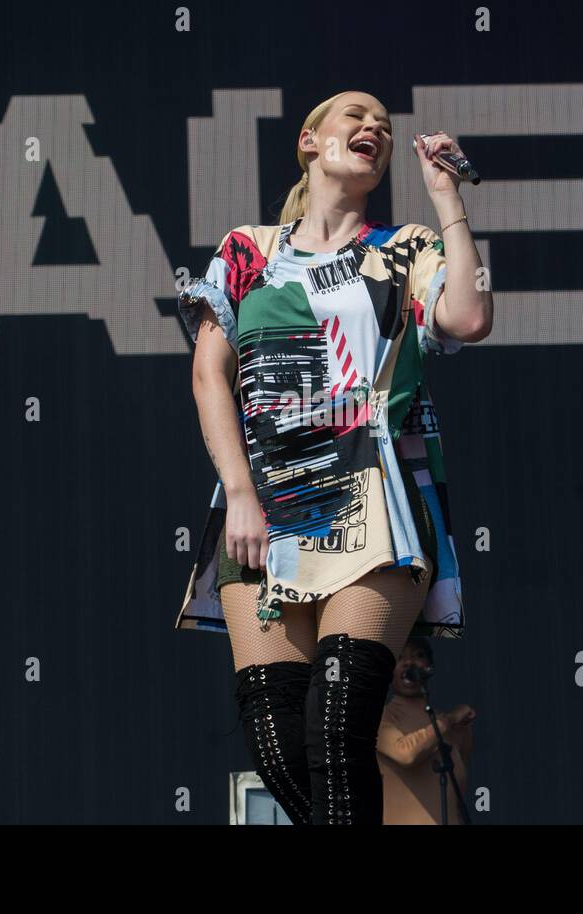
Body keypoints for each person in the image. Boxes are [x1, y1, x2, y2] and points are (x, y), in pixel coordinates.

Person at [175, 90, 493, 824]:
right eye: (355, 116)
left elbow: (468, 318)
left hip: (372, 499)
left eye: (384, 123)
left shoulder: (404, 246)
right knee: (279, 745)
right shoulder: (248, 250)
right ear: (310, 143)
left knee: (338, 726)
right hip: (262, 503)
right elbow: (207, 376)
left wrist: (447, 198)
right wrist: (240, 491)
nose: (374, 127)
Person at [377, 636, 475, 824]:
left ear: (429, 667)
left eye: (418, 655)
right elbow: (405, 754)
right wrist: (449, 721)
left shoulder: (452, 725)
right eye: (399, 657)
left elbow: (459, 789)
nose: (409, 662)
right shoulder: (381, 716)